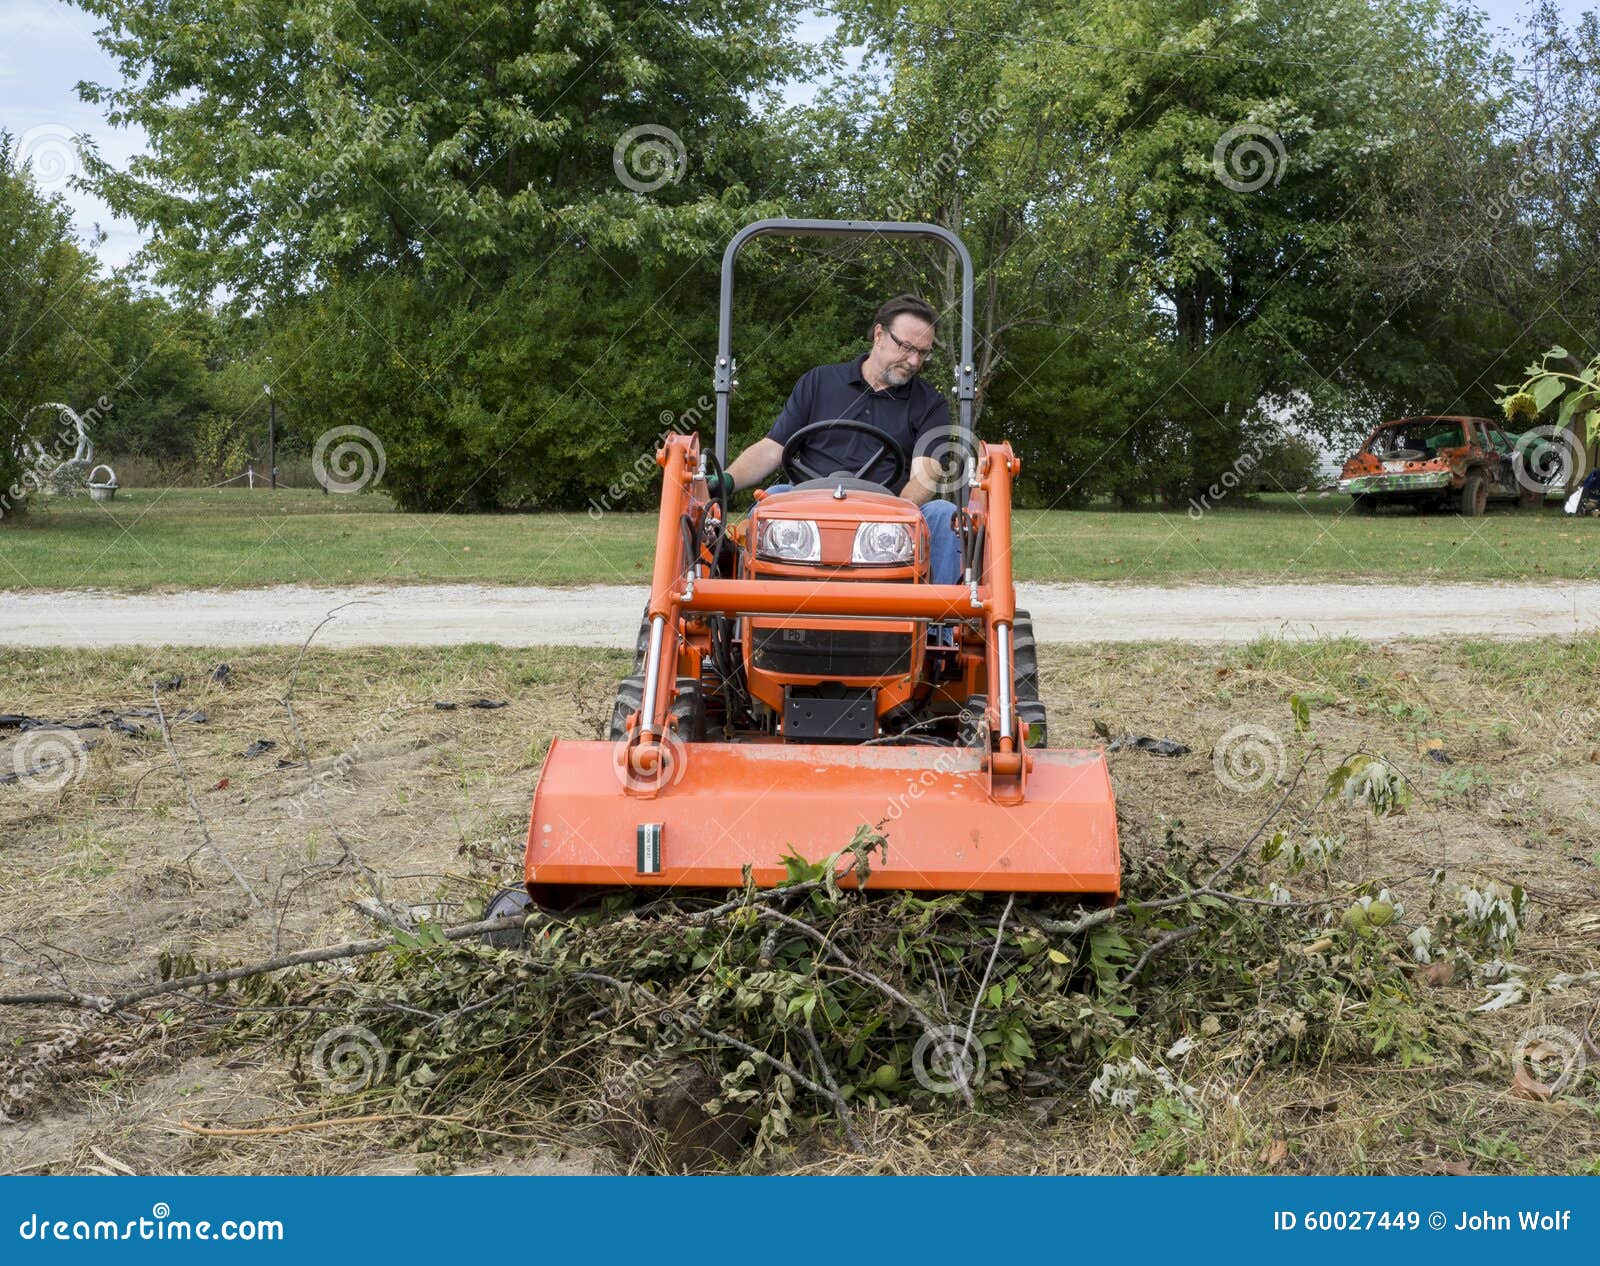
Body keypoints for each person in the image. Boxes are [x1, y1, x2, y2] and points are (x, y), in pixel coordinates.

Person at [712, 294, 962, 585]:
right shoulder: (819, 382)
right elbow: (772, 448)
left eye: (923, 353)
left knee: (944, 515)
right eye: (906, 348)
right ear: (879, 334)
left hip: (887, 516)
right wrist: (725, 480)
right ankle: (752, 617)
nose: (914, 361)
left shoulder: (930, 403)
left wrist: (895, 518)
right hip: (808, 504)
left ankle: (940, 627)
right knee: (774, 499)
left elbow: (927, 473)